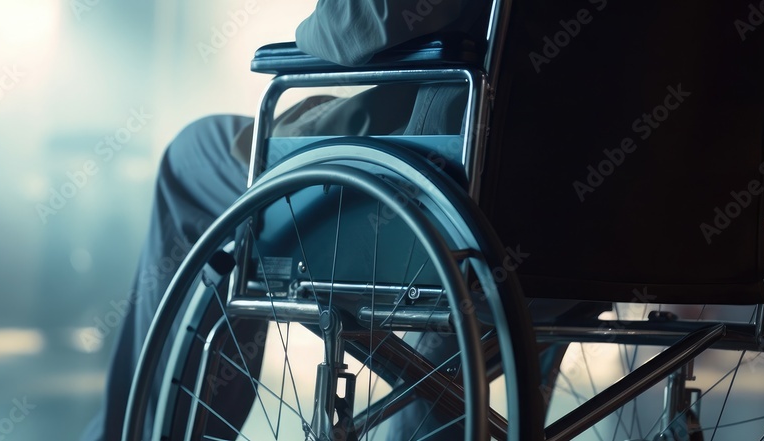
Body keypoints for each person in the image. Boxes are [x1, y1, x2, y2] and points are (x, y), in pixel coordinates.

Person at [80, 2, 489, 440]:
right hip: (539, 220)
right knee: (475, 319)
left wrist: (309, 25)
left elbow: (352, 28)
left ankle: (137, 432)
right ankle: (447, 389)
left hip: (428, 177)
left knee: (191, 158)